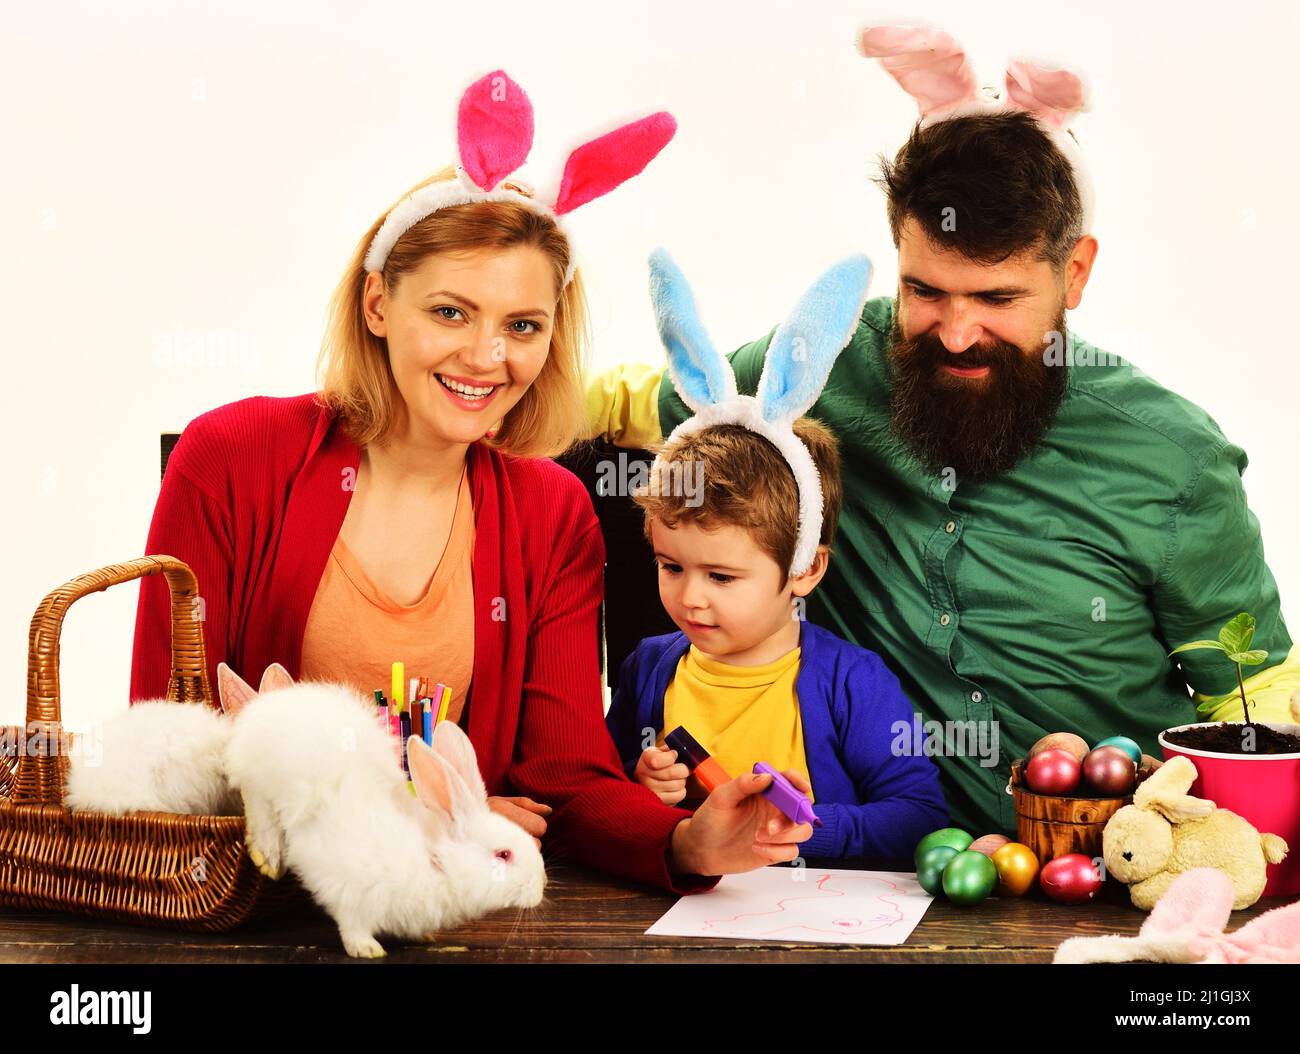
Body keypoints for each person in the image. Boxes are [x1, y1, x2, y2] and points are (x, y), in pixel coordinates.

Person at [585, 30, 1296, 838]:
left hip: (1103, 866)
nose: (955, 333)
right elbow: (643, 401)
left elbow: (1254, 696)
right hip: (880, 872)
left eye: (996, 299)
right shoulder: (826, 367)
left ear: (1077, 272)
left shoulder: (1173, 458)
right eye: (925, 290)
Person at [130, 70, 813, 894]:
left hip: (456, 919)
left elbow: (567, 777)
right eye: (451, 312)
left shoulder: (551, 512)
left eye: (521, 325)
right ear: (379, 303)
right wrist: (415, 813)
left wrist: (684, 844)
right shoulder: (232, 458)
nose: (488, 358)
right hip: (257, 915)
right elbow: (167, 752)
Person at [605, 249, 948, 862]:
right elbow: (601, 791)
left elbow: (917, 817)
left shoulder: (852, 683)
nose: (690, 596)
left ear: (805, 569)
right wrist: (641, 785)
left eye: (722, 576)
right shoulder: (647, 670)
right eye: (671, 565)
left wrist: (810, 827)